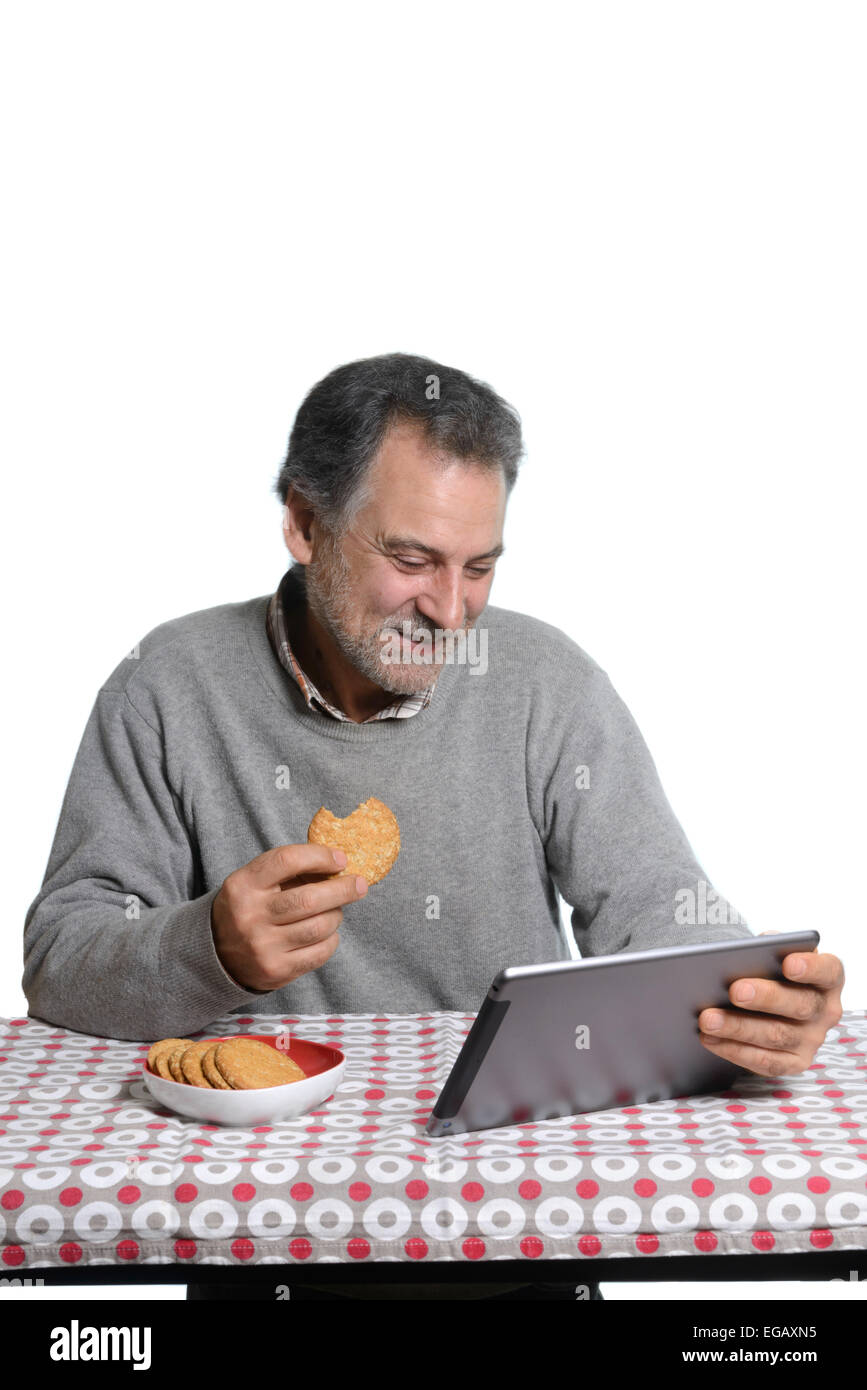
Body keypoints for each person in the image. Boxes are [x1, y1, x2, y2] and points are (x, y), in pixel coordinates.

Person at [22, 352, 845, 1300]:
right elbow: (60, 962)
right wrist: (208, 947)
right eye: (410, 560)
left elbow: (658, 906)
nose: (450, 610)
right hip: (255, 1219)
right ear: (303, 522)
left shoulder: (545, 682)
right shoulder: (168, 684)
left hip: (512, 1209)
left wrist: (752, 996)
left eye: (479, 566)